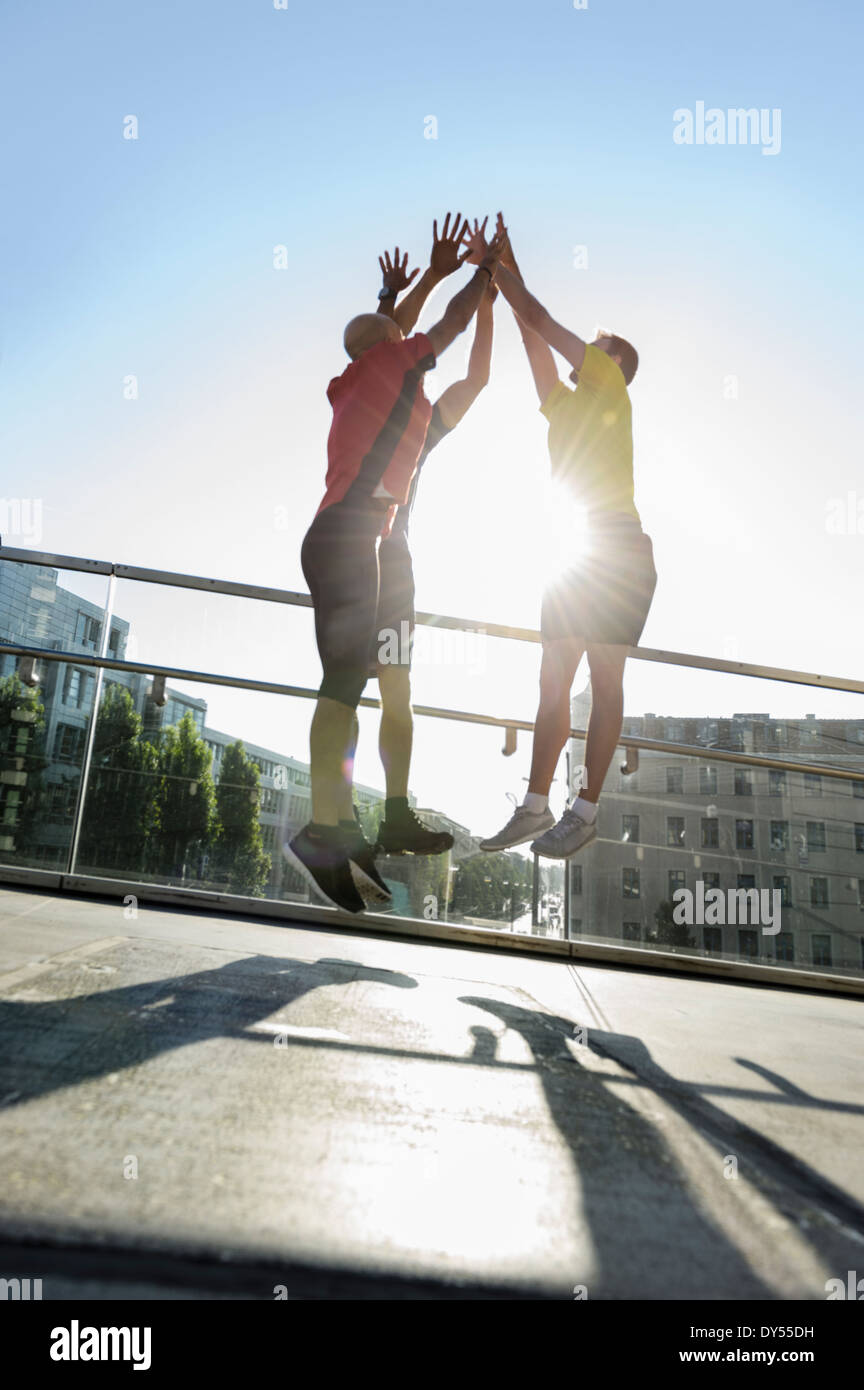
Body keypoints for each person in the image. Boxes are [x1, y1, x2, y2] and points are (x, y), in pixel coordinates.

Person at [285, 215, 505, 912]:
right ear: (388, 342)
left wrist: (410, 290)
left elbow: (393, 332)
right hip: (353, 539)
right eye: (392, 326)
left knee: (349, 681)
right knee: (346, 680)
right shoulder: (390, 362)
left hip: (348, 539)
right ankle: (325, 829)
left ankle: (341, 828)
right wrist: (483, 275)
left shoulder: (356, 379)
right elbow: (442, 327)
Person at [473, 216, 657, 859]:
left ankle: (586, 809)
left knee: (604, 681)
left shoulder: (607, 382)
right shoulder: (563, 402)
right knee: (552, 682)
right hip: (576, 550)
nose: (586, 346)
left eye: (596, 342)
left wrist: (500, 269)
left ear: (611, 362)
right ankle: (535, 804)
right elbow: (532, 333)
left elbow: (542, 317)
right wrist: (506, 259)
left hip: (618, 550)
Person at [371, 242, 499, 858]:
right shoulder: (372, 387)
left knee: (390, 690)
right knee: (373, 689)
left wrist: (483, 298)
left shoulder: (422, 420)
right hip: (375, 559)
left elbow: (476, 379)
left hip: (385, 564)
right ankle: (351, 822)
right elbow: (388, 338)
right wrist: (465, 280)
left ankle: (390, 816)